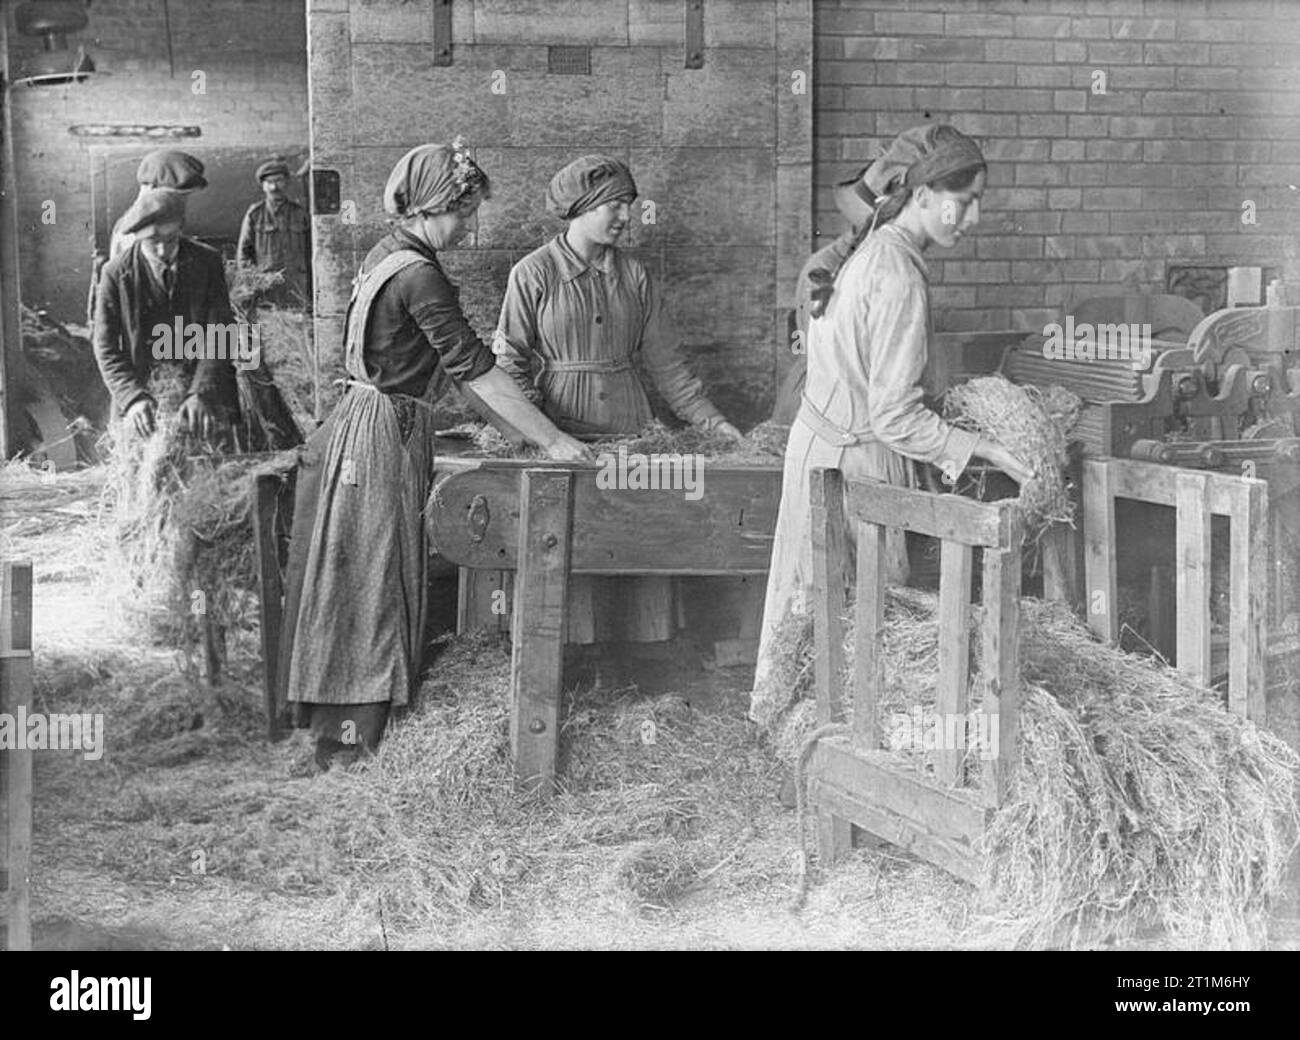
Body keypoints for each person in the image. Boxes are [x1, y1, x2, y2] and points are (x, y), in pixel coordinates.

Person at [278, 141, 591, 769]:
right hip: (382, 432)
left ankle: (348, 730)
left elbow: (454, 373)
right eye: (464, 212)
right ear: (433, 206)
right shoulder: (419, 275)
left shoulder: (385, 253)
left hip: (365, 420)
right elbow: (475, 368)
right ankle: (350, 741)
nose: (470, 226)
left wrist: (513, 428)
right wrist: (551, 439)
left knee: (359, 570)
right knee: (373, 572)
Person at [751, 124, 1034, 723]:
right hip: (856, 463)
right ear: (925, 195)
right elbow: (896, 416)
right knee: (861, 618)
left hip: (822, 445)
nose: (974, 218)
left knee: (813, 613)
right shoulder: (899, 273)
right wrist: (985, 448)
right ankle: (840, 750)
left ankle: (803, 737)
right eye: (966, 201)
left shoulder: (869, 249)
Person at [491, 154, 740, 646]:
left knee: (638, 541)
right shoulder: (532, 274)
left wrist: (713, 424)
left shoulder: (636, 277)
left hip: (633, 431)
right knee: (568, 548)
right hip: (563, 433)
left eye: (629, 204)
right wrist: (541, 436)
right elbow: (510, 364)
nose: (626, 216)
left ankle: (643, 659)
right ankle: (572, 660)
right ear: (581, 208)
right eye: (615, 205)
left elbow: (669, 367)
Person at [91, 188, 238, 441]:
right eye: (152, 242)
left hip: (201, 387)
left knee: (217, 464)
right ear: (137, 237)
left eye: (170, 241)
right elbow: (104, 346)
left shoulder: (208, 261)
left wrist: (200, 392)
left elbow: (221, 333)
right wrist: (132, 397)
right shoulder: (115, 273)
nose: (161, 251)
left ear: (181, 227)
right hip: (142, 395)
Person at [87, 149, 208, 328]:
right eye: (179, 196)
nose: (183, 203)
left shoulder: (152, 222)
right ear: (153, 189)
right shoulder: (133, 231)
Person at [237, 157, 312, 308]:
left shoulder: (300, 214)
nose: (274, 187)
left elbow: (312, 252)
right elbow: (244, 254)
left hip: (297, 289)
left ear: (286, 183)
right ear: (263, 186)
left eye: (278, 181)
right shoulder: (255, 215)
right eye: (269, 183)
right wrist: (252, 285)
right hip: (267, 292)